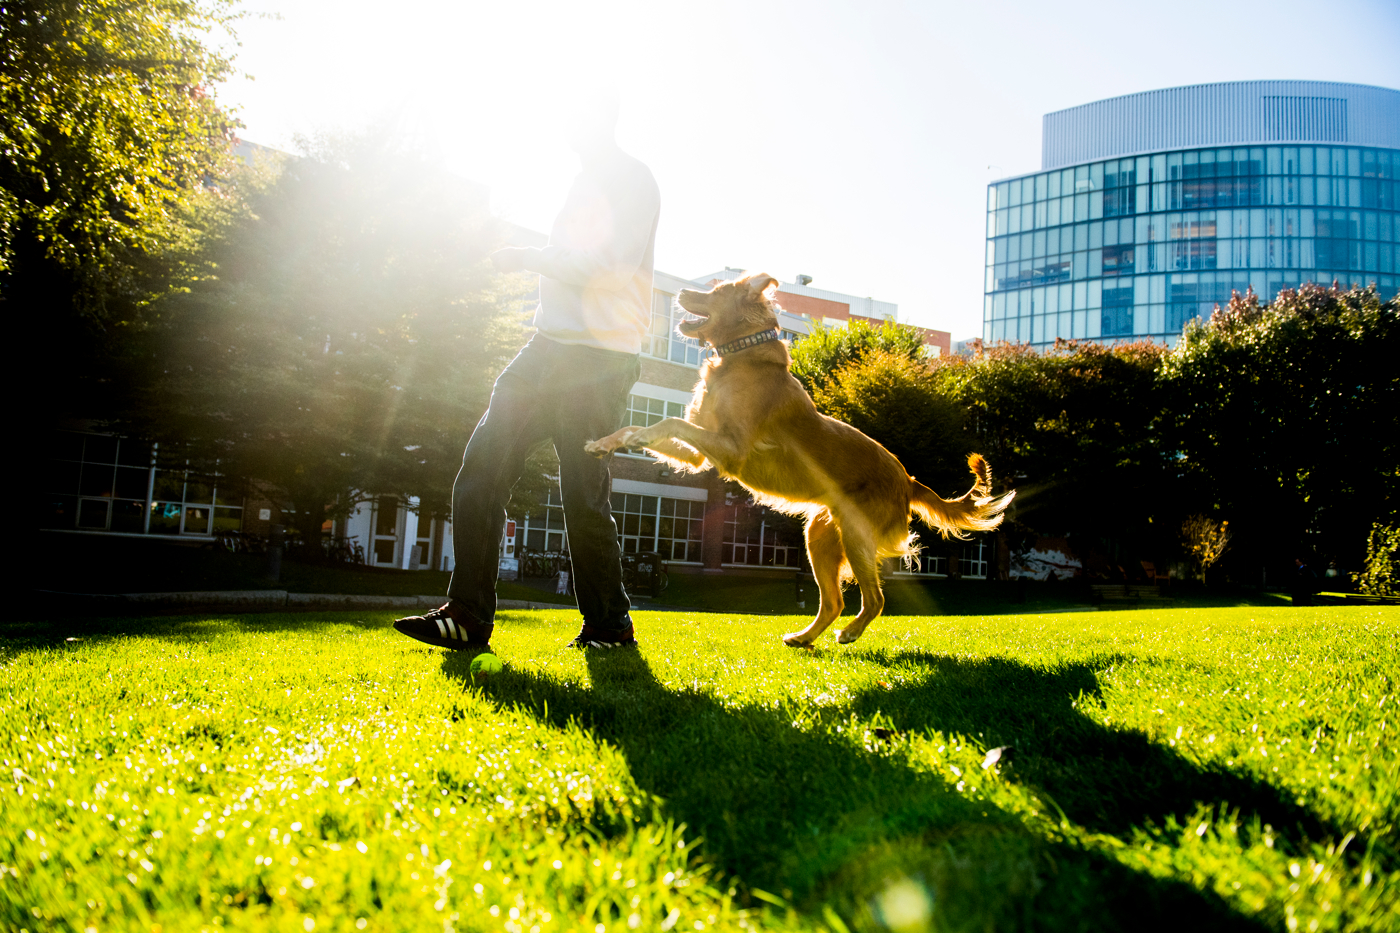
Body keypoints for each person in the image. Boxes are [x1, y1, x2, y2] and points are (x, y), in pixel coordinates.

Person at [394, 91, 660, 652]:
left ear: (602, 117)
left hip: (600, 361)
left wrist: (526, 255)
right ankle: (467, 615)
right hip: (544, 350)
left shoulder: (632, 181)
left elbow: (609, 272)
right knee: (480, 470)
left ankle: (609, 626)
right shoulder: (582, 184)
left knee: (582, 497)